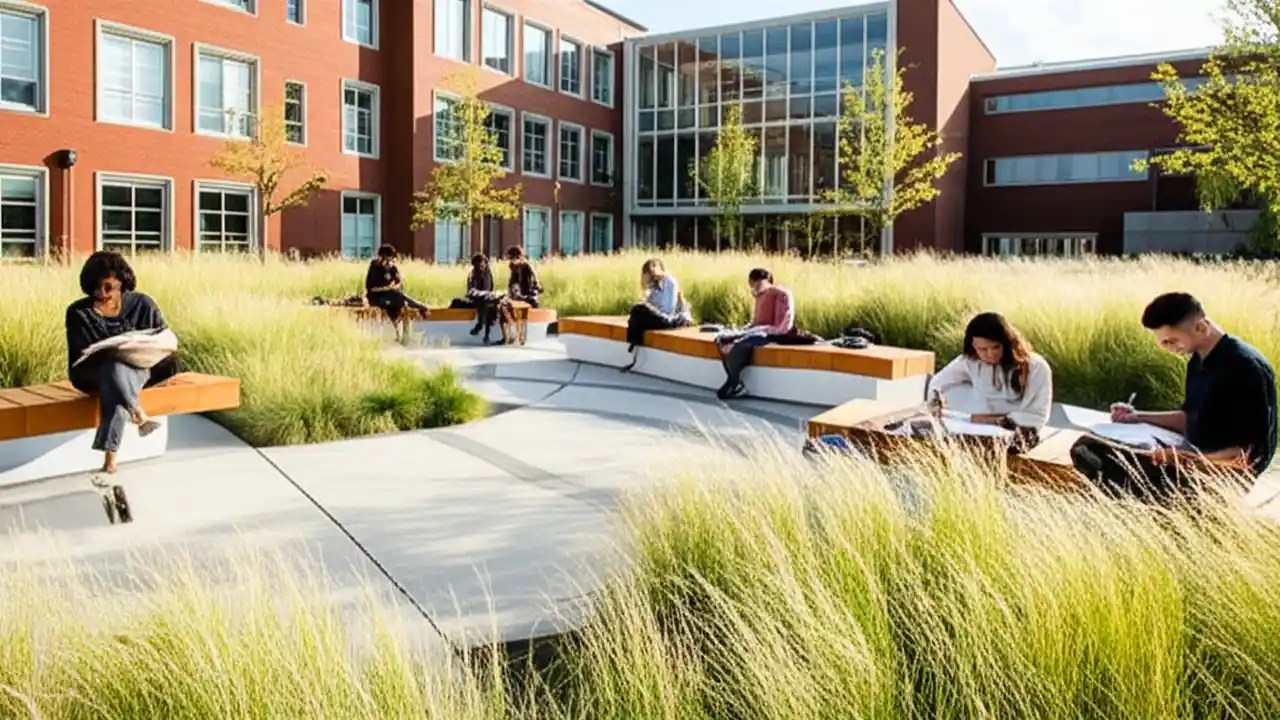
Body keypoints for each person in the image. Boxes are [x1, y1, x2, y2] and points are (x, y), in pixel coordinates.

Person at [1073, 292, 1277, 503]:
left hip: (1219, 472)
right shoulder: (1198, 359)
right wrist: (1136, 416)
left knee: (1102, 455)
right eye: (1163, 343)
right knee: (1089, 445)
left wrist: (1184, 460)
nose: (1168, 348)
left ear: (1201, 327)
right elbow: (1190, 417)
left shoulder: (1244, 367)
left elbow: (1250, 454)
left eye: (1171, 341)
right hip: (1190, 452)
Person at [65, 251, 177, 475]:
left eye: (109, 287)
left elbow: (162, 339)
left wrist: (135, 349)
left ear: (122, 283)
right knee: (113, 370)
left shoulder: (142, 304)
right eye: (95, 288)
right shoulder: (78, 312)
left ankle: (110, 461)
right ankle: (135, 411)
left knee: (118, 379)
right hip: (92, 373)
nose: (102, 293)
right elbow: (81, 354)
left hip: (141, 365)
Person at [926, 312, 1054, 432]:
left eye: (996, 347)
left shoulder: (1035, 366)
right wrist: (936, 404)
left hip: (1016, 429)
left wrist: (992, 420)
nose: (990, 354)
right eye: (983, 349)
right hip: (976, 425)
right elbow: (937, 382)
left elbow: (1036, 415)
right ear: (974, 347)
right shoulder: (970, 361)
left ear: (1006, 343)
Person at [715, 268, 795, 400]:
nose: (753, 288)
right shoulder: (760, 295)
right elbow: (757, 321)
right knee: (722, 339)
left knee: (739, 345)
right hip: (759, 331)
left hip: (772, 334)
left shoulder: (781, 294)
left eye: (755, 284)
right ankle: (733, 379)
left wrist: (761, 330)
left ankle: (734, 382)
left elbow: (782, 325)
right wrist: (744, 330)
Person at [622, 258, 693, 371]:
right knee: (636, 311)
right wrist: (646, 294)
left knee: (639, 309)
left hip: (672, 319)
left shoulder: (669, 282)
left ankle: (635, 343)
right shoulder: (653, 287)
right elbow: (650, 305)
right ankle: (635, 343)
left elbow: (667, 309)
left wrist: (648, 308)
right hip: (661, 317)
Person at [365, 244, 430, 342]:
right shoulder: (375, 267)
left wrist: (393, 285)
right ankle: (421, 307)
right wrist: (385, 288)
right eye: (388, 257)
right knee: (398, 298)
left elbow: (399, 282)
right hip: (377, 297)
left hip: (391, 296)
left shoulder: (392, 267)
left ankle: (402, 336)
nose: (389, 260)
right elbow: (370, 289)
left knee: (400, 305)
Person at [497, 246, 543, 345]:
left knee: (517, 310)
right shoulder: (513, 267)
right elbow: (512, 284)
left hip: (528, 297)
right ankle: (508, 336)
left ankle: (520, 336)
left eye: (512, 258)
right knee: (502, 306)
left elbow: (536, 284)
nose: (511, 261)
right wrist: (510, 293)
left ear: (518, 257)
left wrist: (529, 293)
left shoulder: (528, 267)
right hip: (517, 297)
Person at [464, 253, 502, 344]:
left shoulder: (488, 272)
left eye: (484, 263)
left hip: (487, 298)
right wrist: (482, 294)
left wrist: (489, 294)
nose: (482, 265)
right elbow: (471, 290)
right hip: (476, 298)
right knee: (485, 305)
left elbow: (491, 287)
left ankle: (485, 330)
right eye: (480, 264)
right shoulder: (472, 273)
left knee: (490, 304)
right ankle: (481, 326)